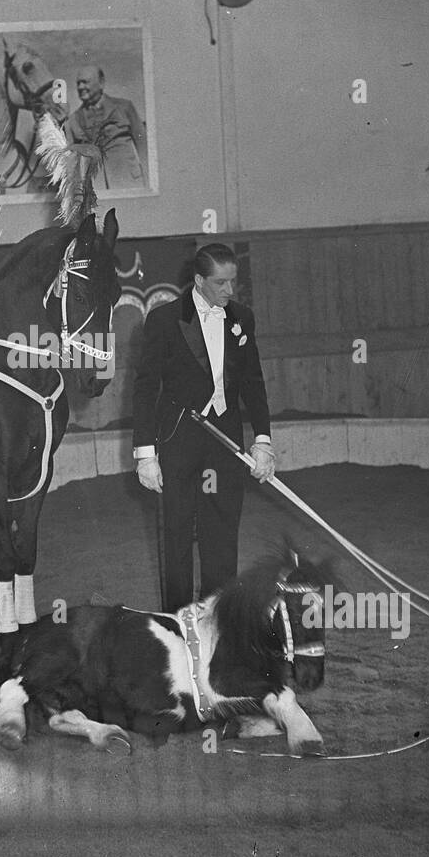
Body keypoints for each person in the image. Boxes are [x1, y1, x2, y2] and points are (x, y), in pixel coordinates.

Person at [132, 243, 275, 612]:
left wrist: (263, 440)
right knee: (177, 535)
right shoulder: (164, 320)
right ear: (198, 281)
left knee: (222, 532)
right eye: (221, 283)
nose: (230, 291)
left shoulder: (242, 317)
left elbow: (253, 382)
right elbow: (146, 387)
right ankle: (177, 622)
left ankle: (217, 616)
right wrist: (145, 454)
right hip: (179, 440)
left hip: (226, 443)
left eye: (233, 282)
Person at [65, 66, 146, 190]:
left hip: (129, 182)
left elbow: (144, 146)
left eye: (85, 82)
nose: (80, 87)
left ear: (101, 83)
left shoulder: (125, 107)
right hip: (96, 188)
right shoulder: (73, 120)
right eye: (78, 83)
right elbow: (69, 159)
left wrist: (150, 180)